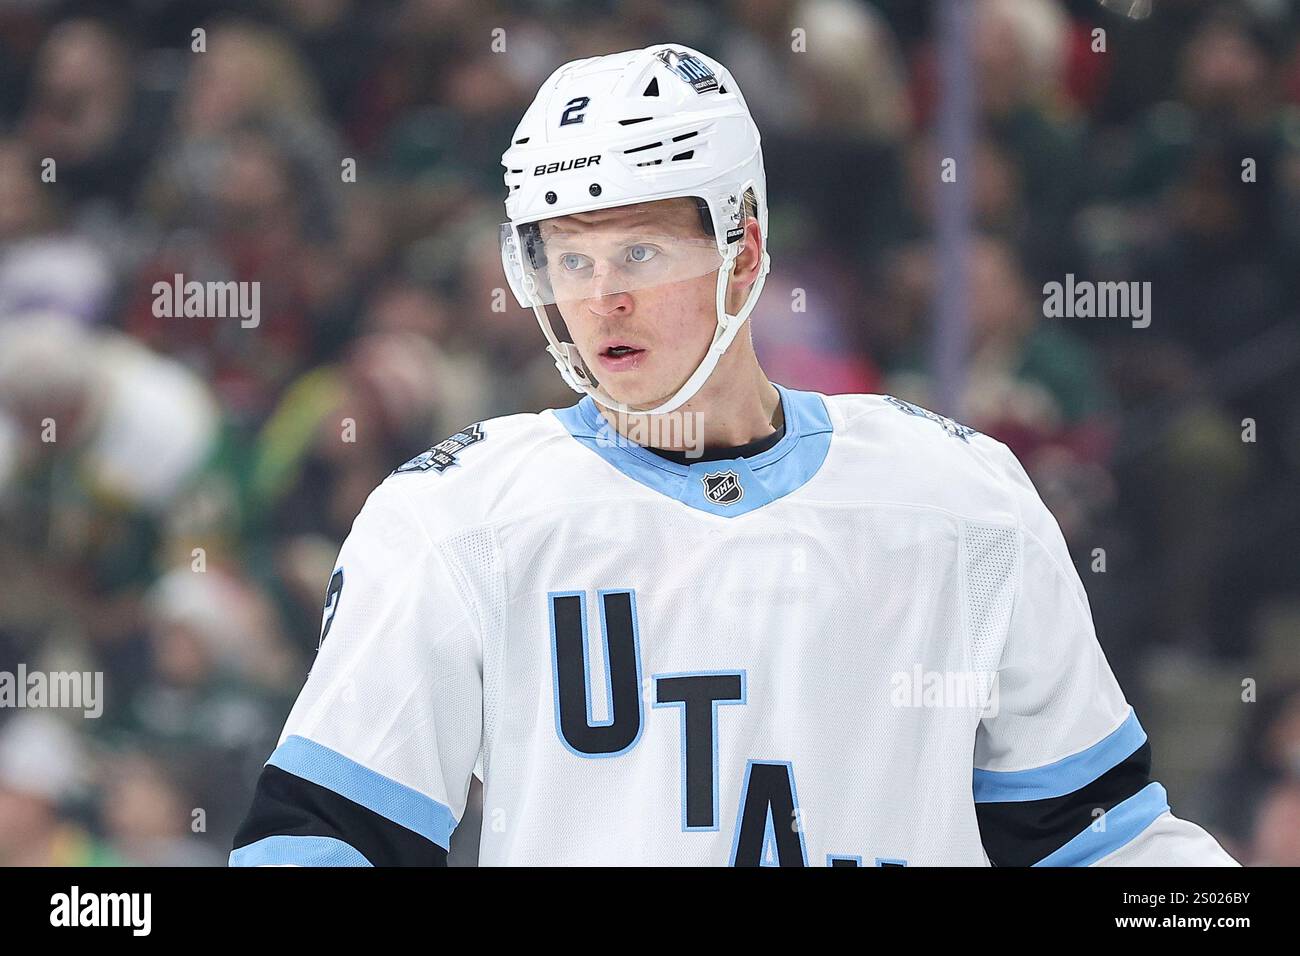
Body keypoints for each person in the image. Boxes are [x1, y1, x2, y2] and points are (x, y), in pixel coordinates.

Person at [230, 44, 1237, 866]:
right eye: (568, 258)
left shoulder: (957, 498)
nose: (599, 298)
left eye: (640, 252)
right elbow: (324, 840)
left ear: (745, 248)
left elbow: (1095, 836)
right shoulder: (453, 517)